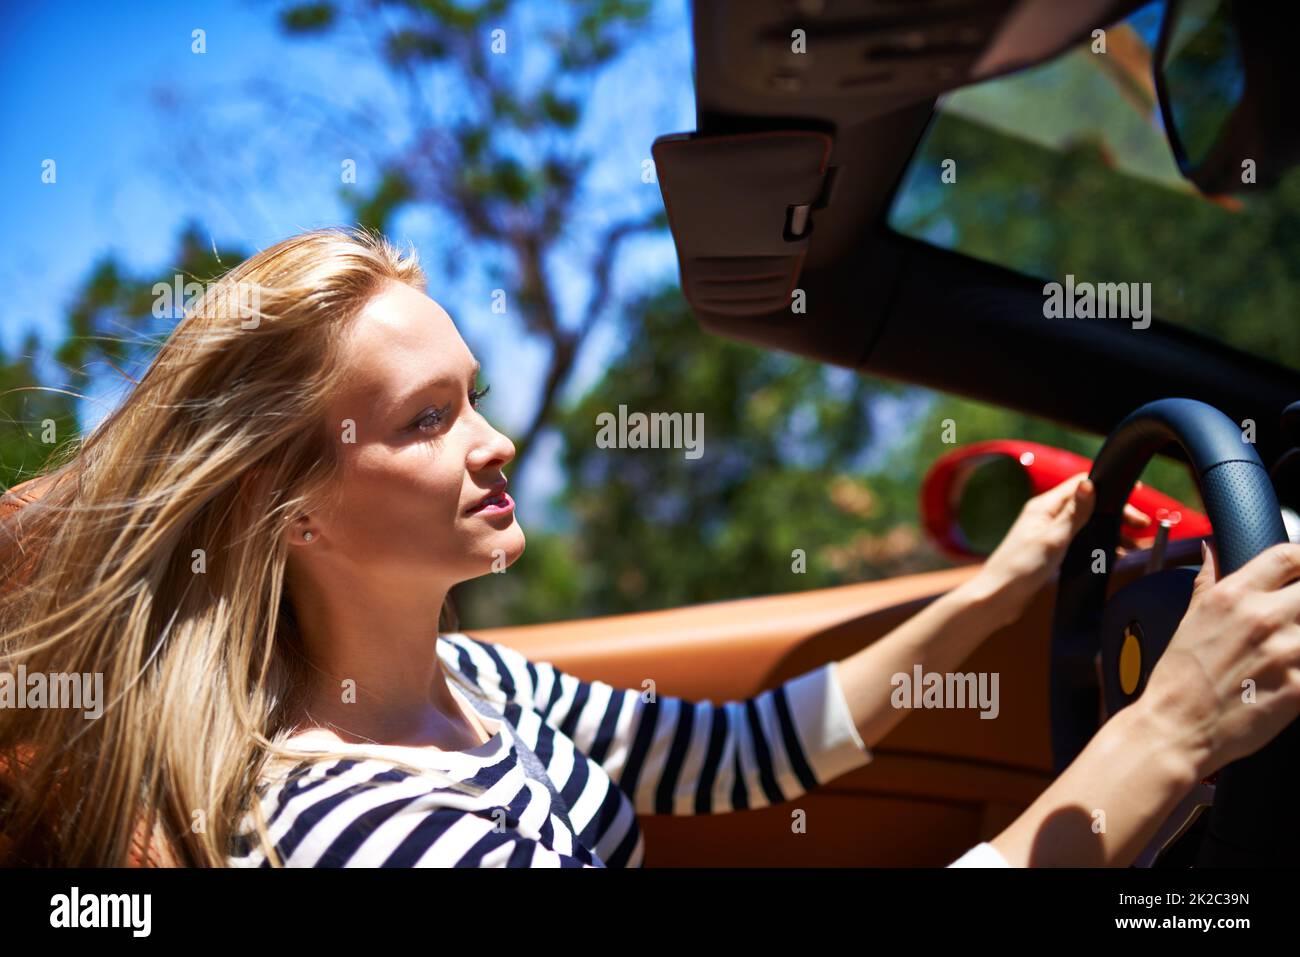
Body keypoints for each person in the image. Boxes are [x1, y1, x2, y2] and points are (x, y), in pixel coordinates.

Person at [2, 226, 1298, 867]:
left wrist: (999, 588)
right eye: (429, 419)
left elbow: (752, 752)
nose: (499, 440)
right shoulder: (368, 827)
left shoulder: (476, 686)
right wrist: (1161, 735)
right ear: (292, 509)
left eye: (478, 391)